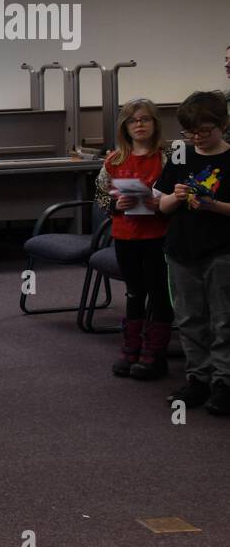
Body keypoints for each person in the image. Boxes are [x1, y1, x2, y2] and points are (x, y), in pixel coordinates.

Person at [153, 92, 230, 414]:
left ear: (223, 126)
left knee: (224, 320)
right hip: (182, 249)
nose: (197, 137)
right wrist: (177, 196)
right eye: (190, 132)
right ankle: (198, 378)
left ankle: (224, 383)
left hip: (222, 250)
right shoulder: (181, 155)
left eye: (205, 131)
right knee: (189, 318)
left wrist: (213, 205)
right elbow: (161, 203)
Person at [93, 99, 171, 378]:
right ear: (125, 127)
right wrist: (116, 206)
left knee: (160, 294)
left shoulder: (168, 156)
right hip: (125, 236)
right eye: (133, 121)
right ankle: (131, 348)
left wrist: (160, 203)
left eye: (145, 119)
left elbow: (180, 194)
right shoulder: (115, 159)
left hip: (158, 235)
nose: (139, 125)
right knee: (134, 292)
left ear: (155, 124)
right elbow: (101, 196)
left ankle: (155, 354)